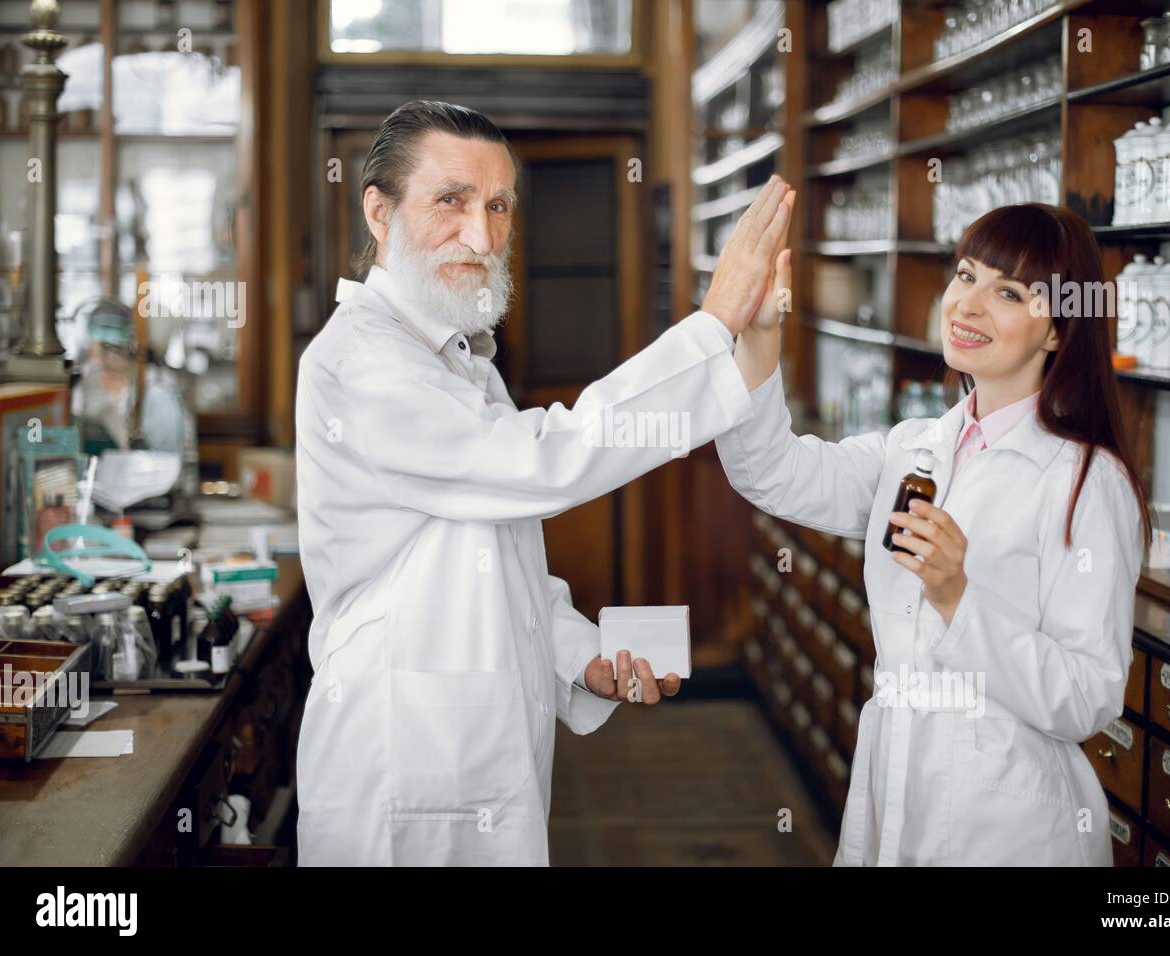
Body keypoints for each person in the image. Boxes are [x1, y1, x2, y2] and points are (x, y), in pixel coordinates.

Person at [295, 100, 795, 865]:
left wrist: (578, 657)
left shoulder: (457, 356)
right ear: (378, 210)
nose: (483, 235)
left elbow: (494, 554)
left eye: (498, 206)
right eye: (451, 201)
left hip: (472, 743)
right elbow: (544, 462)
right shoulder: (361, 360)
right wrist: (711, 325)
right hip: (400, 758)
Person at [717, 203, 1151, 866]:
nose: (966, 305)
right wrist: (759, 338)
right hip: (897, 775)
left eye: (1007, 292)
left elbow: (1088, 698)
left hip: (1007, 815)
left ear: (1059, 330)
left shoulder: (1087, 483)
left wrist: (957, 598)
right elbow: (772, 473)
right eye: (965, 275)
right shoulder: (915, 447)